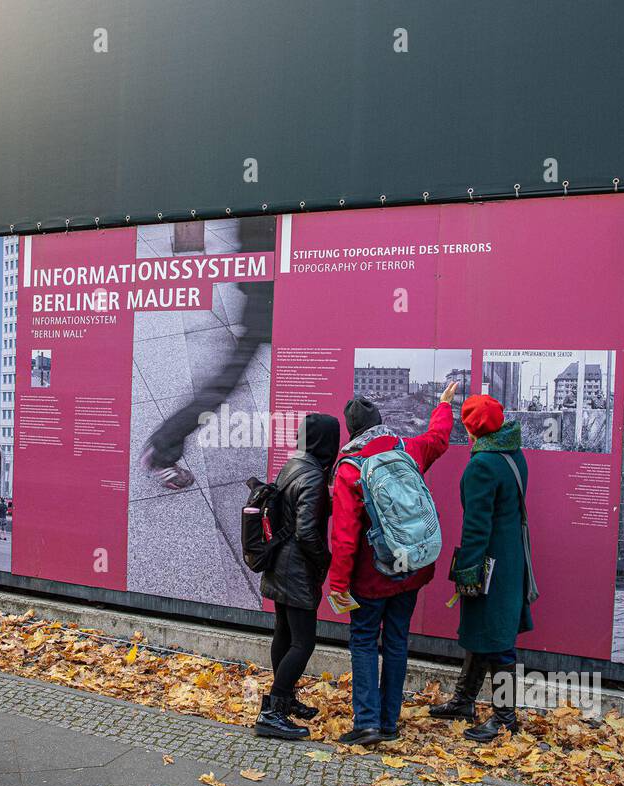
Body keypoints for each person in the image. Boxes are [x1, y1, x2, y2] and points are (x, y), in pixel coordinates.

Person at [327, 383, 455, 745]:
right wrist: (444, 406)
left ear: (352, 431)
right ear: (381, 422)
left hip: (372, 577)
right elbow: (438, 438)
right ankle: (389, 721)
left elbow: (346, 537)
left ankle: (366, 722)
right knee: (397, 641)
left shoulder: (350, 468)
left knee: (365, 641)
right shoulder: (408, 449)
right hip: (410, 570)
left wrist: (338, 584)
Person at [142, 216, 276, 489]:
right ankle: (162, 448)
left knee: (224, 382)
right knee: (223, 384)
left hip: (264, 302)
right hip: (268, 306)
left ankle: (163, 446)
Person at [432, 394, 534, 742]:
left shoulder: (481, 466)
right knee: (484, 632)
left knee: (497, 641)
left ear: (470, 428)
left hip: (488, 562)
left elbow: (476, 527)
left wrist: (468, 570)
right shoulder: (513, 454)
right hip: (509, 558)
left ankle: (505, 718)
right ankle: (464, 700)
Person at [254, 413, 340, 740]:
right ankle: (273, 711)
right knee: (304, 642)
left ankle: (284, 699)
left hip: (279, 562)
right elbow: (307, 533)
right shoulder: (315, 476)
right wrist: (324, 560)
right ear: (326, 443)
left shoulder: (292, 465)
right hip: (297, 568)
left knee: (284, 634)